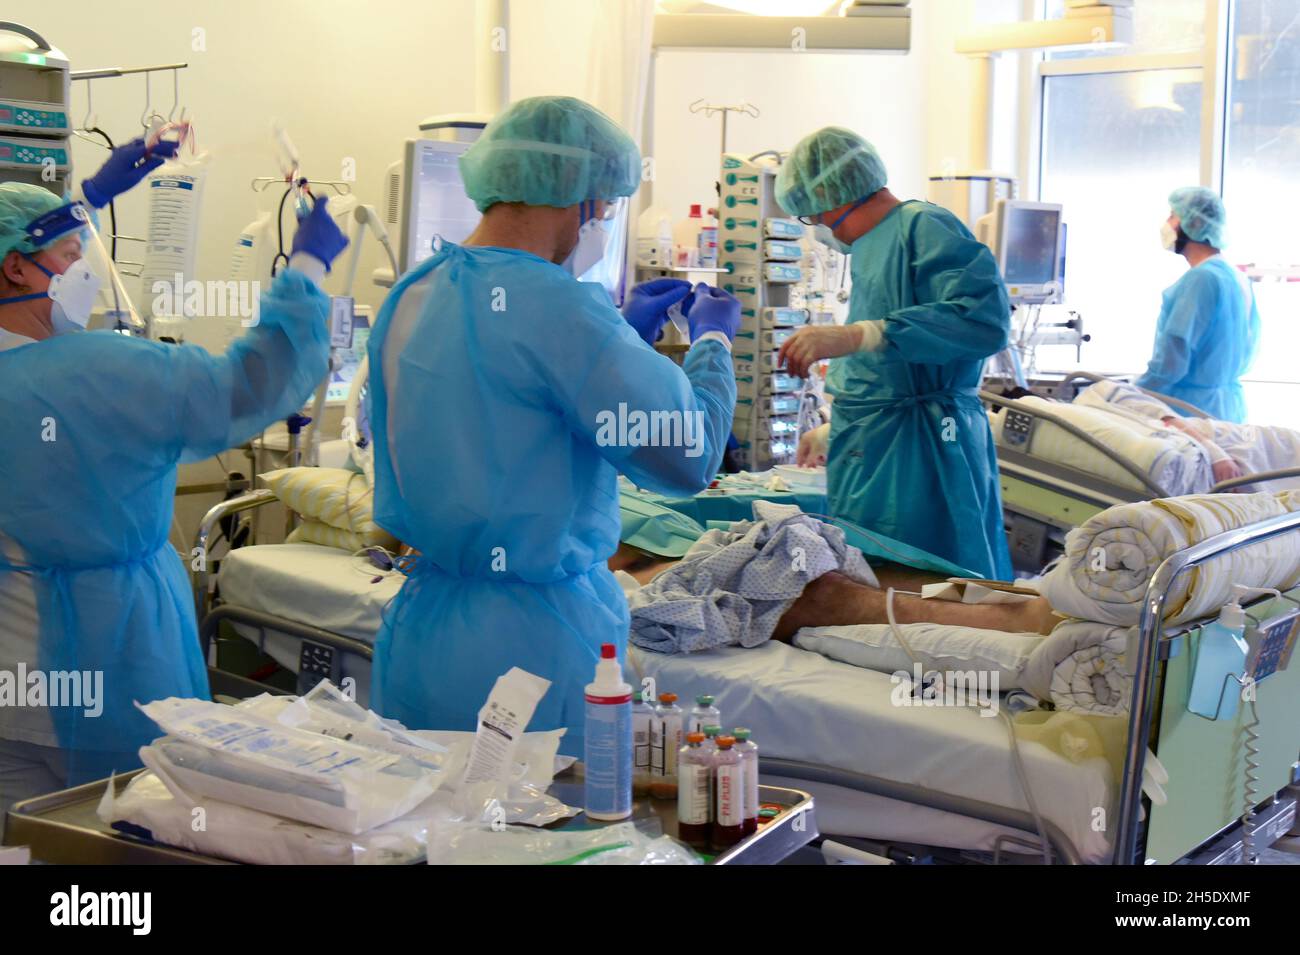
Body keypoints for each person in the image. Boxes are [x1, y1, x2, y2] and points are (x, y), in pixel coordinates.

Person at [366, 95, 739, 756]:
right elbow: (689, 454)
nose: (600, 220)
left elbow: (505, 396)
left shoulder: (412, 291)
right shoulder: (562, 307)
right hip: (533, 652)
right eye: (605, 204)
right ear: (580, 197)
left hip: (424, 637)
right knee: (546, 845)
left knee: (427, 842)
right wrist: (712, 345)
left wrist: (617, 339)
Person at [0, 155, 346, 818]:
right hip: (111, 675)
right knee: (123, 847)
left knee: (24, 848)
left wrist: (90, 199)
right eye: (73, 255)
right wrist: (305, 271)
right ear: (17, 266)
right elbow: (252, 382)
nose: (86, 274)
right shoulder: (103, 369)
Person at [774, 126, 1013, 579]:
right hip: (878, 439)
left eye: (817, 215)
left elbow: (983, 322)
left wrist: (861, 335)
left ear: (831, 190)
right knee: (870, 586)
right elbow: (885, 374)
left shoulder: (923, 227)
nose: (821, 228)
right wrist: (839, 427)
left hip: (926, 443)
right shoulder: (869, 247)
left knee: (928, 586)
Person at [1135, 187, 1260, 423]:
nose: (1167, 224)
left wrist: (1132, 394)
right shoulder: (1236, 278)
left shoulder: (1201, 280)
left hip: (1190, 413)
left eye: (1173, 215)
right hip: (1227, 411)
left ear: (1194, 223)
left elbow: (1172, 361)